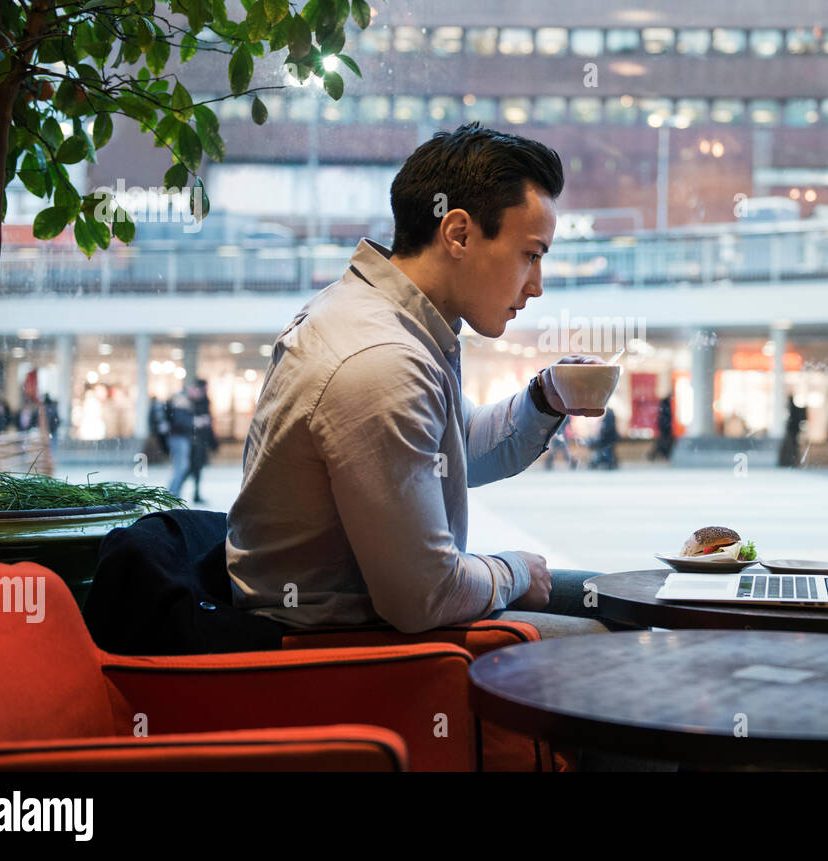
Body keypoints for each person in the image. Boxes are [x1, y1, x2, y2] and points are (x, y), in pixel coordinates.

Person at [226, 123, 632, 638]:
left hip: (378, 614)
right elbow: (425, 596)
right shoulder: (380, 361)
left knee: (617, 596)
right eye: (530, 255)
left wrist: (545, 398)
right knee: (619, 641)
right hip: (346, 646)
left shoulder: (389, 318)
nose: (537, 286)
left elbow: (458, 450)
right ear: (458, 233)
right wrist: (511, 571)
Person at [163, 380, 204, 499]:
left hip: (179, 437)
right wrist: (195, 421)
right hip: (178, 438)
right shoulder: (181, 400)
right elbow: (179, 421)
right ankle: (172, 494)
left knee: (182, 466)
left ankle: (173, 493)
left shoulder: (183, 399)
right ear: (193, 388)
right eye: (198, 391)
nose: (199, 395)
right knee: (181, 466)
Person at [186, 379, 217, 504]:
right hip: (194, 441)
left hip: (200, 441)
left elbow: (208, 424)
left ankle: (195, 494)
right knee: (189, 468)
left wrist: (212, 442)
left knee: (196, 468)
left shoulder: (204, 402)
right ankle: (174, 491)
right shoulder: (191, 402)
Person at [778, 395, 806, 467]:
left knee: (792, 447)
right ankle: (791, 461)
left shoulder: (794, 412)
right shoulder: (794, 411)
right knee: (792, 447)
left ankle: (791, 461)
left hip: (792, 431)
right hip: (793, 431)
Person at [648, 393, 674, 462]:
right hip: (666, 426)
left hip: (665, 426)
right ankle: (659, 454)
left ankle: (656, 454)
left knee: (662, 442)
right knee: (663, 442)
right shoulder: (668, 402)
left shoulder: (666, 403)